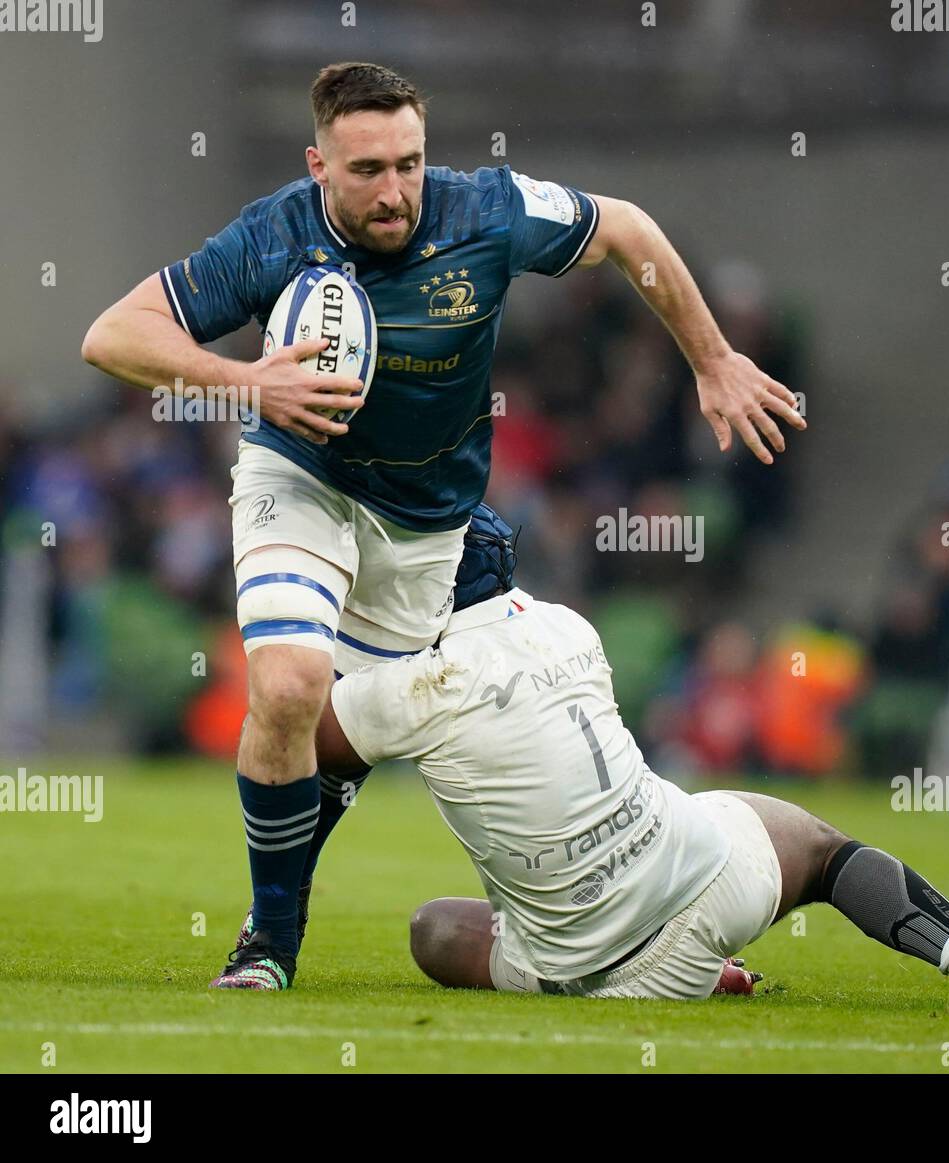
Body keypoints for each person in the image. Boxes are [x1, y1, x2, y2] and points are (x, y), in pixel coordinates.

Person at [81, 62, 805, 990]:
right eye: (368, 169)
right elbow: (113, 333)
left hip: (427, 525)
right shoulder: (273, 236)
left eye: (409, 164)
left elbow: (628, 228)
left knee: (358, 734)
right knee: (293, 683)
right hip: (299, 479)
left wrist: (712, 361)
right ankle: (270, 940)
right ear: (318, 166)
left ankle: (630, 916)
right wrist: (248, 381)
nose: (394, 191)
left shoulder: (488, 213)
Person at [310, 504, 949, 1006]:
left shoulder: (406, 686)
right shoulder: (568, 624)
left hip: (576, 970)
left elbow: (304, 744)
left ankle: (700, 973)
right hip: (704, 891)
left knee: (433, 930)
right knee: (822, 850)